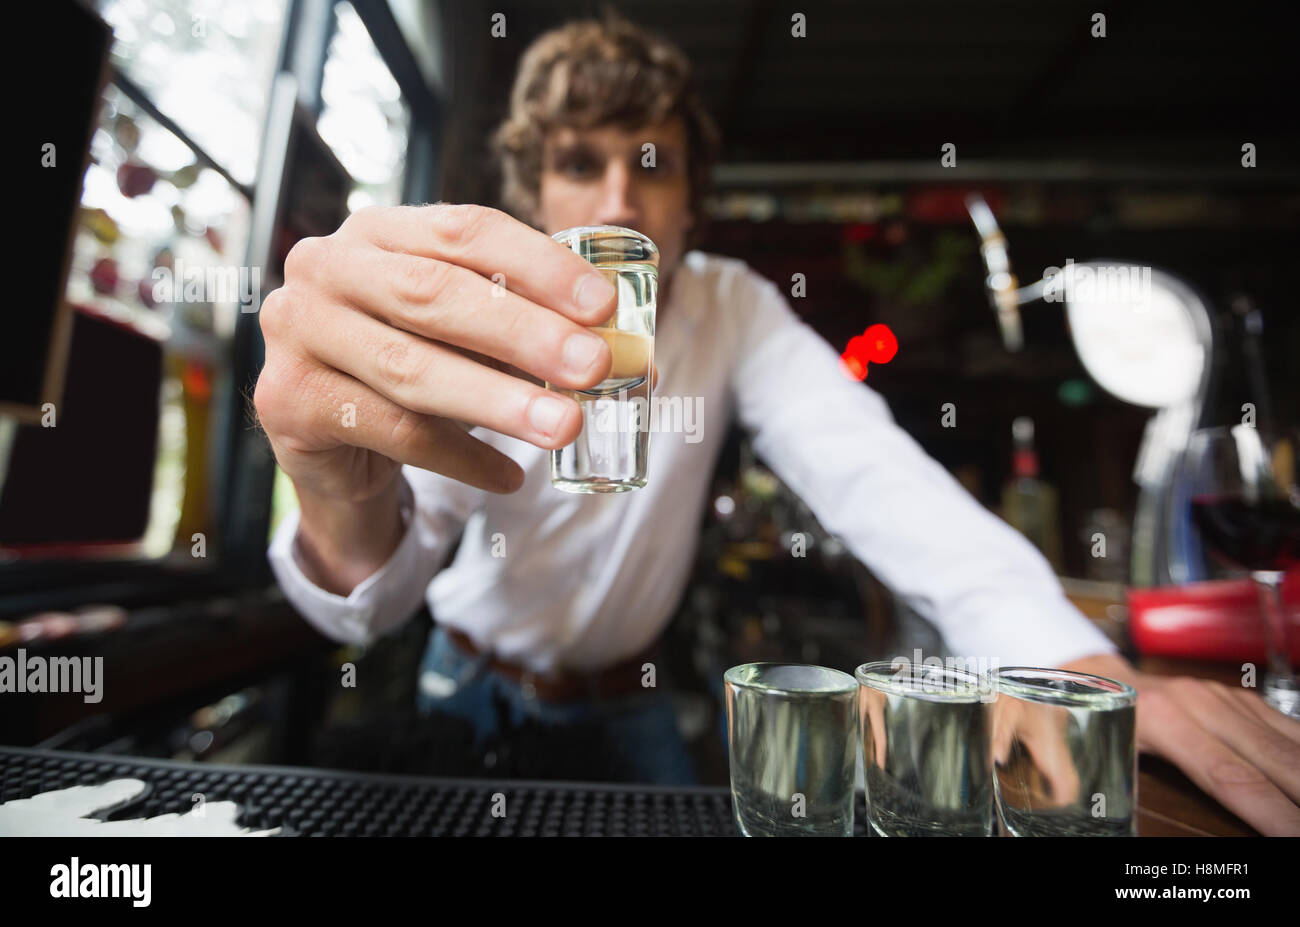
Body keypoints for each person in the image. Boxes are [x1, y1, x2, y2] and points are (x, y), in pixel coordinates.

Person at [254, 16, 1300, 830]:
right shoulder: (467, 319)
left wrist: (1081, 674)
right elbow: (365, 607)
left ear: (692, 198)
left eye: (650, 163)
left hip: (632, 705)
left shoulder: (731, 307)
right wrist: (334, 483)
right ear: (534, 190)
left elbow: (876, 478)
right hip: (461, 688)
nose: (618, 195)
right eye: (580, 163)